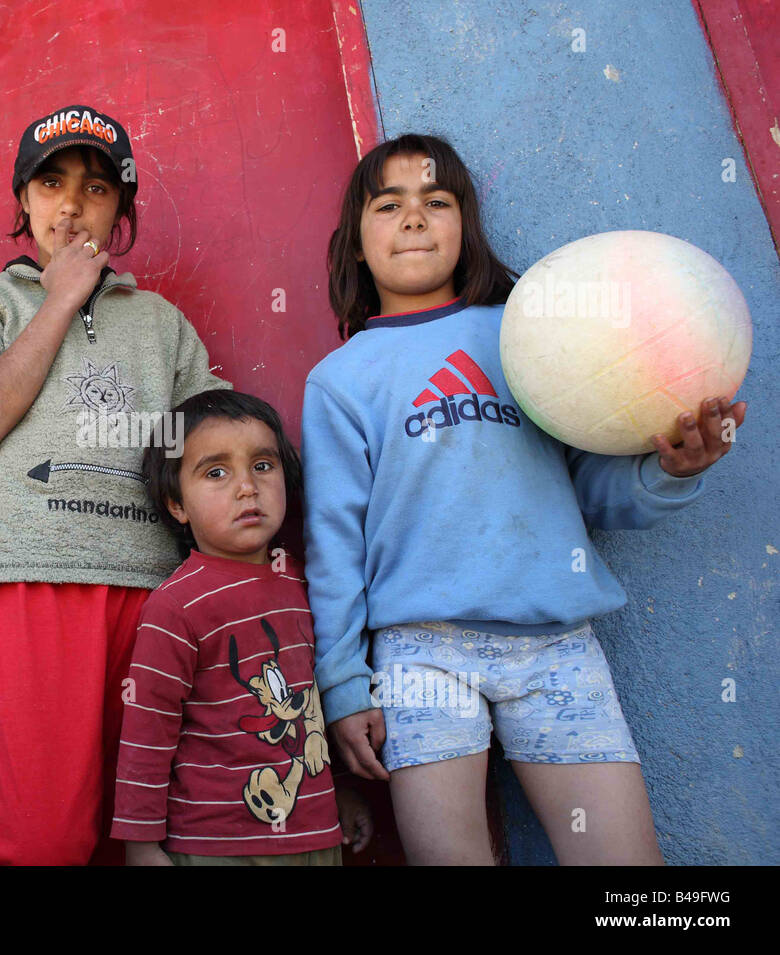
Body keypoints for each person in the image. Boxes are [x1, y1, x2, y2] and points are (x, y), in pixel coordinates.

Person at [302, 133, 747, 865]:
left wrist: (674, 468)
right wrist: (344, 684)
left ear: (466, 228)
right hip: (420, 654)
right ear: (354, 242)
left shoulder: (527, 338)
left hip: (557, 648)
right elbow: (333, 546)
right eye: (390, 204)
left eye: (436, 201)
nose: (414, 218)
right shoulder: (341, 380)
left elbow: (591, 493)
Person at [0, 105, 231, 865]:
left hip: (157, 594)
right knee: (42, 840)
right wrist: (60, 295)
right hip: (36, 580)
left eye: (96, 188)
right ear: (22, 202)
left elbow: (212, 446)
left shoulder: (160, 322)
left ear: (121, 207)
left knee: (162, 832)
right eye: (50, 182)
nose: (70, 204)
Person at [112, 389, 373, 865]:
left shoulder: (306, 583)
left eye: (263, 465)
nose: (246, 487)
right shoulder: (176, 605)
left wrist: (340, 793)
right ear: (177, 504)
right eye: (216, 472)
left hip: (316, 836)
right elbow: (147, 734)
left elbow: (310, 707)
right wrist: (140, 845)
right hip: (216, 846)